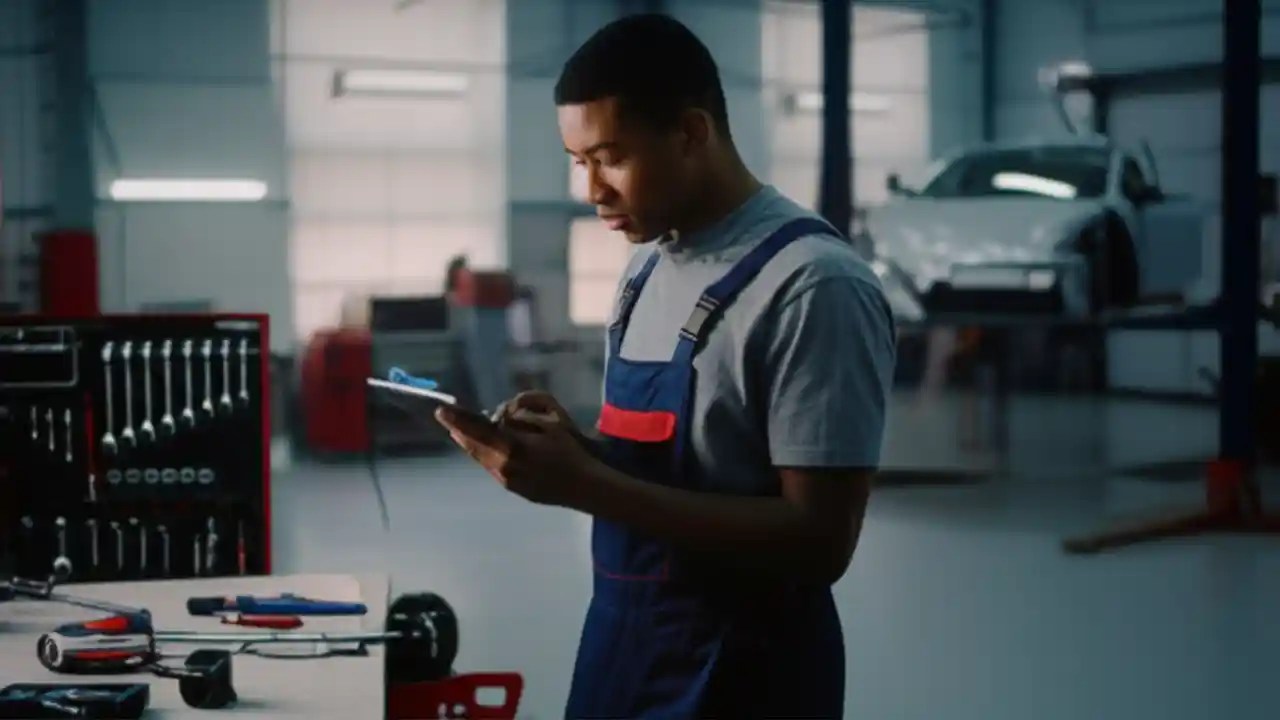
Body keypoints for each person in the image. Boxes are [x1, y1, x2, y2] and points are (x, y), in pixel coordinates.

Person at [435, 13, 896, 719]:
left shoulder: (814, 287)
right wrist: (571, 452)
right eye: (577, 161)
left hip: (744, 676)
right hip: (624, 649)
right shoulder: (646, 268)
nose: (591, 190)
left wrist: (587, 484)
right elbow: (668, 475)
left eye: (610, 157)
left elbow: (818, 543)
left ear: (690, 133)